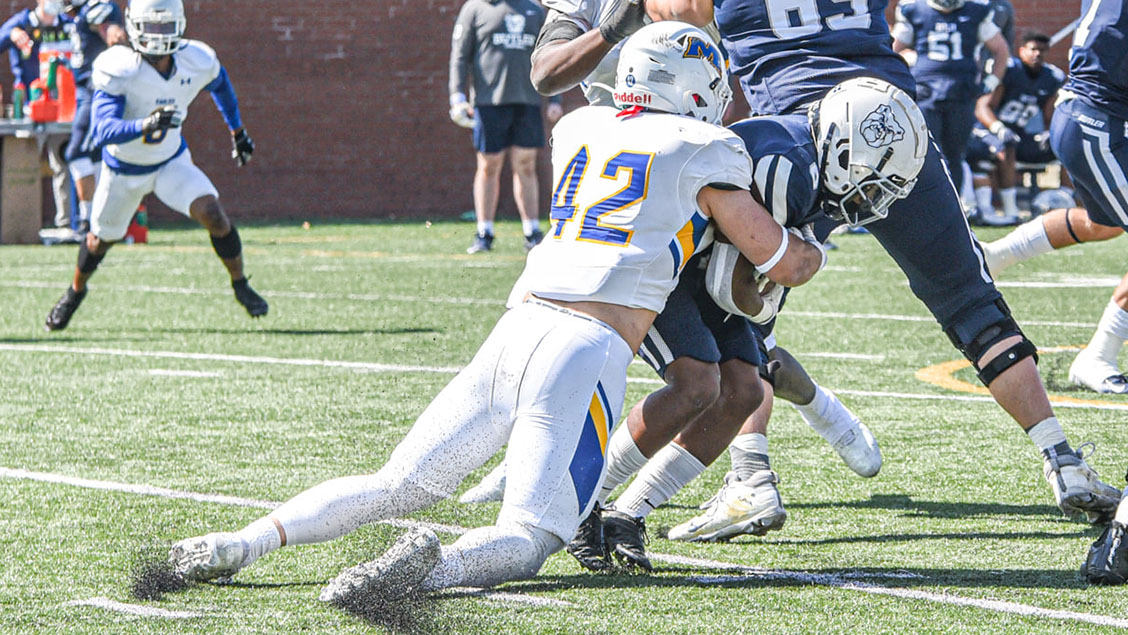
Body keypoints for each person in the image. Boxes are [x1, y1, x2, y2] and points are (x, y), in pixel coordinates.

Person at [166, 22, 826, 604]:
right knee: (532, 534)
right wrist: (815, 238)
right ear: (690, 88)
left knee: (396, 482)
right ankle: (430, 570)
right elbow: (782, 262)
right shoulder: (705, 147)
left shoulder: (579, 126)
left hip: (518, 326)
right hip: (587, 347)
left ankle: (241, 542)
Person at [694, 0, 1122, 534]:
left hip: (798, 134)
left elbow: (680, 14)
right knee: (971, 303)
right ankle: (1062, 458)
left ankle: (751, 478)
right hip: (890, 122)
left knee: (743, 312)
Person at [43, 0, 265, 331]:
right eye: (152, 27)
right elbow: (103, 130)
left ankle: (240, 283)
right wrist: (144, 125)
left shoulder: (195, 59)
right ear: (135, 26)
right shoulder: (120, 66)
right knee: (98, 241)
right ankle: (74, 292)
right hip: (123, 169)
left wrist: (238, 131)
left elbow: (220, 83)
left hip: (169, 162)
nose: (159, 36)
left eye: (165, 27)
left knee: (213, 213)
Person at [1021, 0, 1128, 397]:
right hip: (1097, 125)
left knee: (1101, 223)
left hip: (1094, 120)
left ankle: (990, 258)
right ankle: (1097, 356)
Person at [449, 0, 555, 253]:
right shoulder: (476, 8)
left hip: (528, 101)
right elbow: (460, 56)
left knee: (526, 165)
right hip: (488, 103)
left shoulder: (534, 9)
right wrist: (457, 97)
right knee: (489, 165)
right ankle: (484, 232)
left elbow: (551, 55)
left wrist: (555, 98)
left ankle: (532, 232)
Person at [892, 0, 1009, 195]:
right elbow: (892, 49)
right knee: (925, 153)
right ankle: (927, 203)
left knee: (954, 154)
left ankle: (952, 204)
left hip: (960, 92)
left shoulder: (976, 10)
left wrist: (993, 80)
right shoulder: (914, 9)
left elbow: (1001, 49)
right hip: (926, 93)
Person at [967, 32, 1065, 223]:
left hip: (1018, 133)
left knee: (1065, 144)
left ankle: (1069, 198)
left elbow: (1049, 115)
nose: (1038, 54)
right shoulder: (1010, 70)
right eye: (1033, 49)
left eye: (1043, 50)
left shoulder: (1051, 76)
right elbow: (982, 107)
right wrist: (998, 128)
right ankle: (1011, 209)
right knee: (1006, 144)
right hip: (987, 130)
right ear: (1022, 51)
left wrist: (1051, 132)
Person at [0, 0, 74, 230]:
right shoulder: (24, 22)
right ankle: (19, 224)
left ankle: (65, 223)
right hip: (30, 105)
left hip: (61, 107)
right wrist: (12, 33)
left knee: (62, 162)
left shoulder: (67, 24)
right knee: (22, 164)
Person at [64, 0, 127, 234]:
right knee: (96, 155)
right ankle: (99, 218)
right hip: (84, 89)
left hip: (94, 89)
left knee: (76, 152)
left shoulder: (100, 6)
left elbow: (111, 30)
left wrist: (113, 33)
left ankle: (89, 218)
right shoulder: (82, 11)